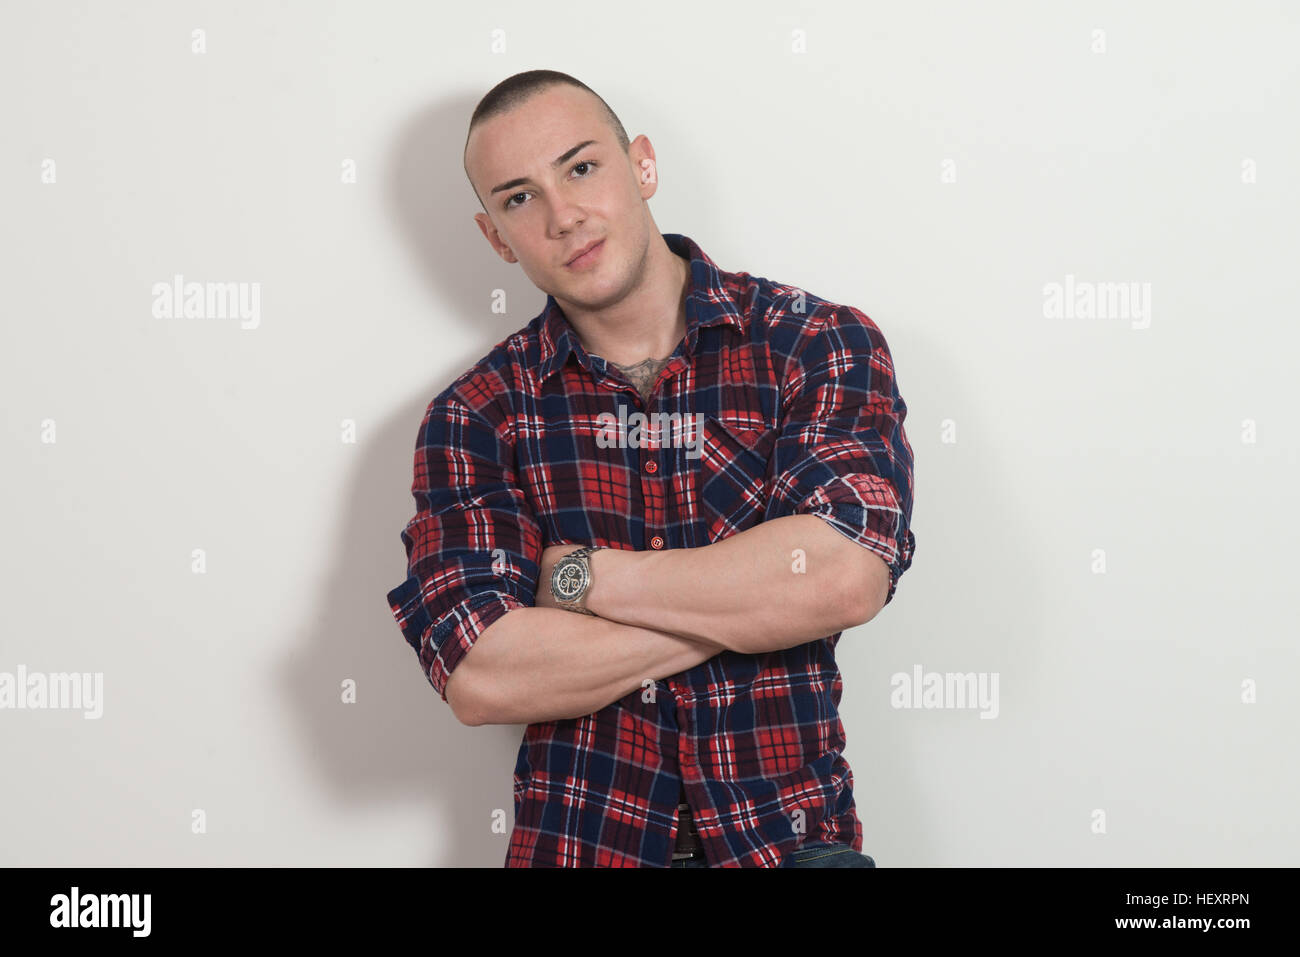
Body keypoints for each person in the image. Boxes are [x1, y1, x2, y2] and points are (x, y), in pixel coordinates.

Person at [385, 69, 916, 868]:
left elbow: (840, 579)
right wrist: (747, 604)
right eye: (520, 198)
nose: (564, 216)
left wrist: (577, 579)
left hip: (790, 845)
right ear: (496, 236)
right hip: (582, 849)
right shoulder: (476, 415)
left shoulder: (814, 343)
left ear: (642, 166)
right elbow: (481, 674)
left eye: (582, 167)